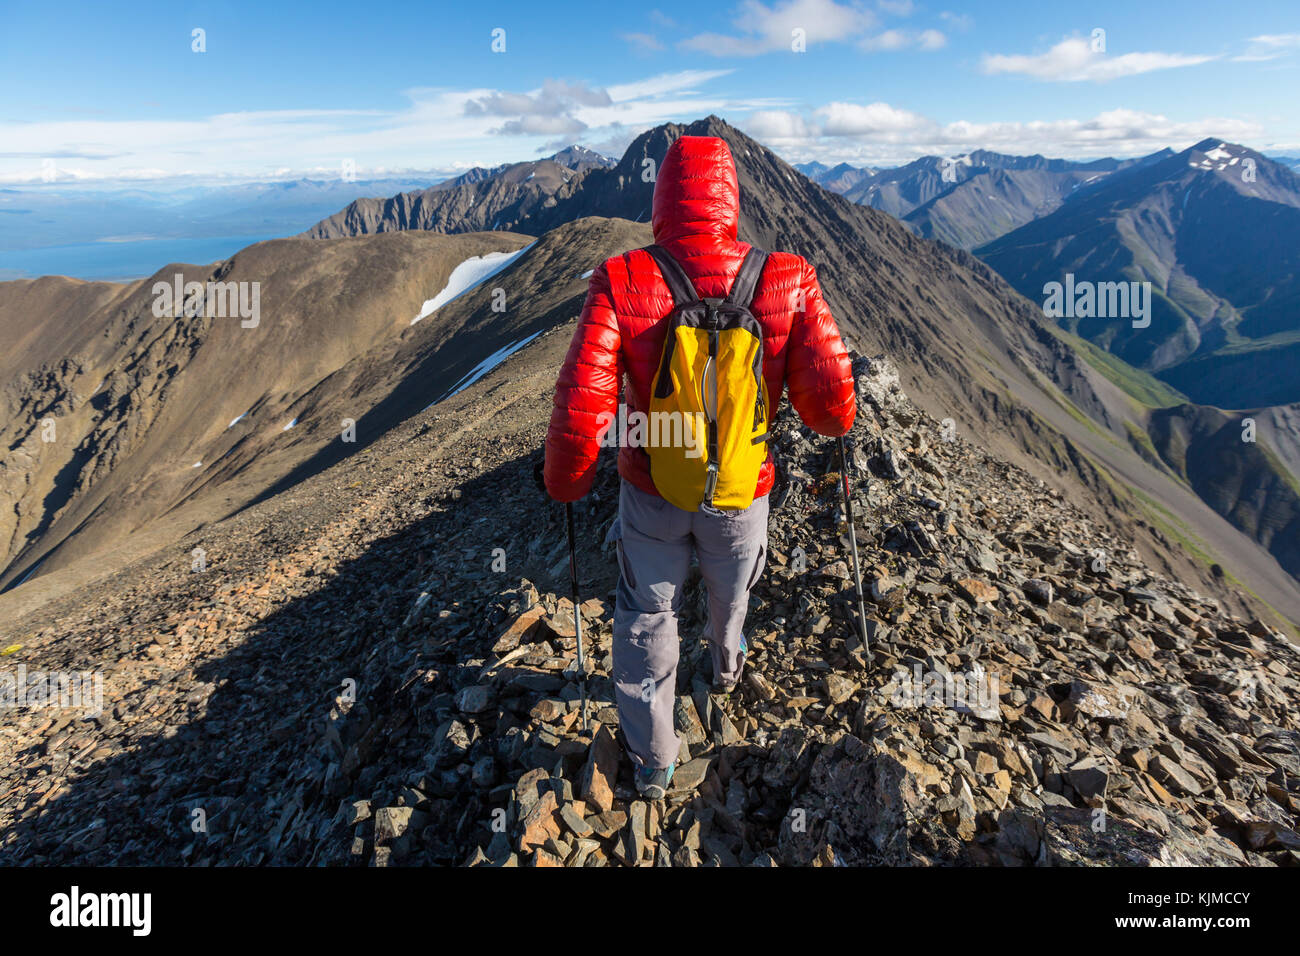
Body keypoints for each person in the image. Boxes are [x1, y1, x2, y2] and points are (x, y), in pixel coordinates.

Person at [544, 135, 856, 799]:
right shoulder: (787, 278)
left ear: (661, 199)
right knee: (730, 593)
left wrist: (567, 480)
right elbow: (830, 404)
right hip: (743, 492)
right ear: (732, 198)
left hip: (653, 490)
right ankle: (724, 665)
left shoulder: (623, 279)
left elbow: (582, 401)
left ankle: (654, 762)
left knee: (647, 618)